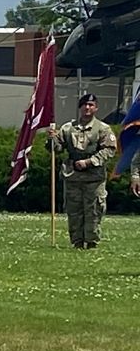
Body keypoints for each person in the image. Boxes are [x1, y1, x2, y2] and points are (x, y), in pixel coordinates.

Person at [48, 93, 117, 249]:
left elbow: (109, 150)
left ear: (96, 108)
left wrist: (89, 162)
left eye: (91, 105)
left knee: (94, 210)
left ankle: (91, 242)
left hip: (94, 178)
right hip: (73, 176)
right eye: (84, 105)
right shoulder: (68, 128)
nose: (87, 107)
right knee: (74, 211)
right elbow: (56, 149)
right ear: (80, 107)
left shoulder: (103, 128)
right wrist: (52, 139)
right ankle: (77, 242)